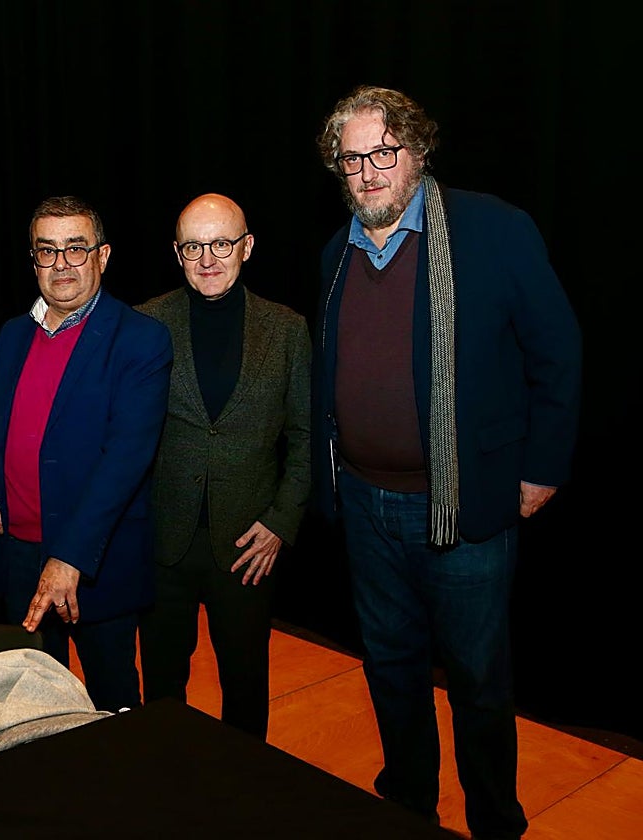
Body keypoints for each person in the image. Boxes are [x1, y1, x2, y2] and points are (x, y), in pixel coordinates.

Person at [312, 85, 581, 840]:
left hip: (465, 506)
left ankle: (495, 821)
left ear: (419, 150)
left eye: (383, 152)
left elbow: (557, 352)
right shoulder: (336, 253)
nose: (367, 172)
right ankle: (407, 805)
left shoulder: (494, 229)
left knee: (478, 684)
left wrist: (542, 468)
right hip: (364, 504)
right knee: (389, 670)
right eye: (351, 159)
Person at [0, 195, 173, 713]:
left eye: (76, 249)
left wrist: (70, 556)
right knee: (31, 709)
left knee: (112, 707)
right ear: (33, 259)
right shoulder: (14, 334)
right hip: (18, 555)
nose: (61, 264)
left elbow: (126, 459)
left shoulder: (141, 339)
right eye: (47, 250)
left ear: (103, 256)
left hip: (94, 560)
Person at [136, 193, 310, 739]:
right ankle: (167, 779)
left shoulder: (286, 330)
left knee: (245, 686)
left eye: (221, 244)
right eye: (193, 246)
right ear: (177, 252)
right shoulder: (146, 323)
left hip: (248, 544)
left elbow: (307, 437)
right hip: (164, 540)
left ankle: (243, 785)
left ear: (247, 247)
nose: (207, 259)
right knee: (161, 687)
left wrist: (281, 523)